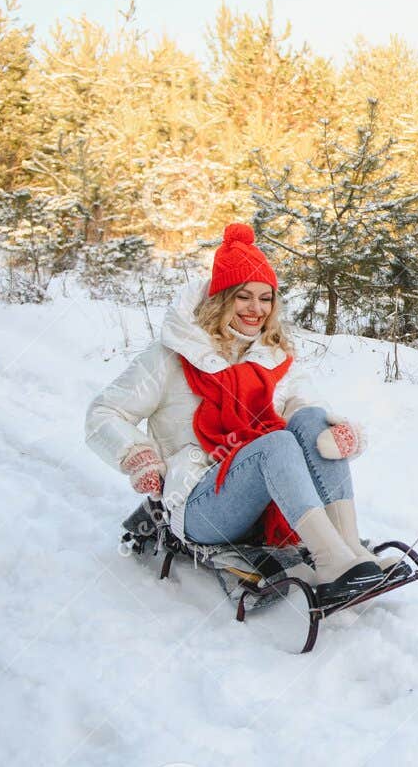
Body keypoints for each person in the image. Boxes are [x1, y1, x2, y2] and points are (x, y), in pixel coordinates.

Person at [86, 223, 394, 610]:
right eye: (243, 296)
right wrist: (137, 454)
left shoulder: (273, 355)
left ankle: (349, 549)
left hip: (266, 498)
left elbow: (302, 407)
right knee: (275, 442)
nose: (256, 309)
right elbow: (103, 413)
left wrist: (336, 434)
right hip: (200, 503)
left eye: (265, 298)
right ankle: (330, 558)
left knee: (313, 419)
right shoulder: (170, 357)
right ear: (220, 298)